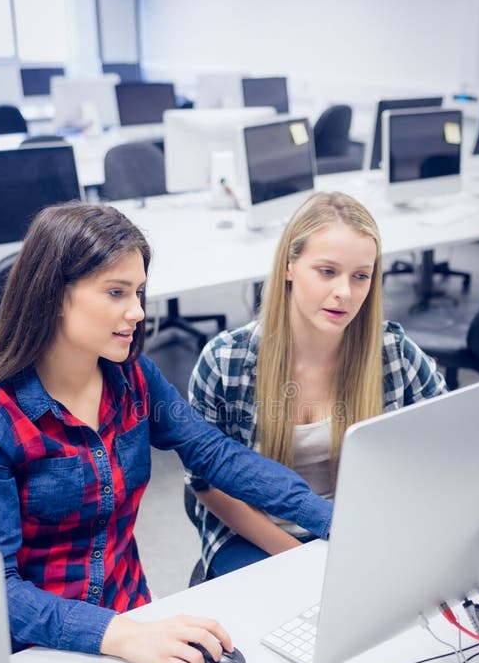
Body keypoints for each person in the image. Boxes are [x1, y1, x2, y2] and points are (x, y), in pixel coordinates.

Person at [0, 202, 332, 663]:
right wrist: (123, 636)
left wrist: (332, 521)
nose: (137, 312)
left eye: (139, 292)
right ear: (53, 295)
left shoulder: (135, 379)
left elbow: (215, 455)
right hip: (40, 648)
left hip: (134, 616)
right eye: (116, 292)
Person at [187, 191, 447, 579]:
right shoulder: (226, 360)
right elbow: (205, 484)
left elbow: (447, 439)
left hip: (358, 526)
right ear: (289, 267)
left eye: (360, 276)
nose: (344, 292)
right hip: (255, 535)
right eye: (327, 271)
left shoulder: (391, 350)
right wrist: (303, 559)